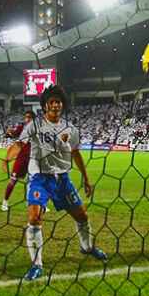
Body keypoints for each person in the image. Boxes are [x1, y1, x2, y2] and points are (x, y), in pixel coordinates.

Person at [10, 85, 108, 281]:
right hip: (40, 179)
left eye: (58, 102)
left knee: (82, 215)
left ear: (62, 105)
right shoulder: (35, 125)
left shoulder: (70, 129)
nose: (55, 105)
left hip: (63, 179)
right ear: (45, 105)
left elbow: (76, 153)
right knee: (34, 217)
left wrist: (86, 178)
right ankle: (36, 265)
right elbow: (19, 144)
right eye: (51, 102)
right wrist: (7, 159)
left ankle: (87, 247)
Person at [1, 111, 34, 212]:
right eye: (26, 117)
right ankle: (5, 202)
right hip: (21, 158)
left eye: (29, 117)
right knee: (13, 180)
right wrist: (8, 134)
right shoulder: (22, 128)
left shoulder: (38, 129)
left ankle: (34, 203)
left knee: (35, 182)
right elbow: (13, 134)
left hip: (33, 159)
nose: (27, 119)